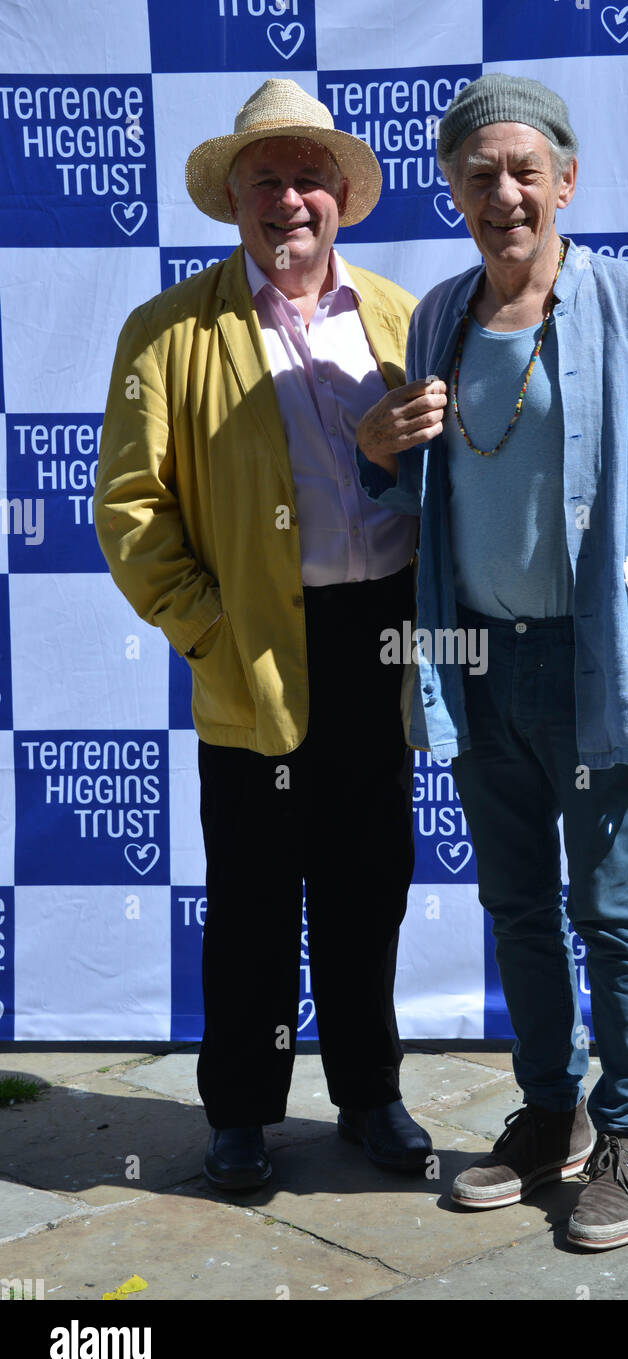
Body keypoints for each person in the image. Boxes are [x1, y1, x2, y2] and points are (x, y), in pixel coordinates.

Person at [356, 73, 628, 1250]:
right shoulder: (434, 318)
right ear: (454, 192)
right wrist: (375, 452)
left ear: (567, 182)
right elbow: (410, 484)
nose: (506, 193)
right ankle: (550, 1113)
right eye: (480, 174)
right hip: (472, 658)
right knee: (517, 903)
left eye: (527, 170)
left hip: (602, 667)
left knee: (612, 907)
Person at [95, 78, 432, 1191]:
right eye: (265, 182)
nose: (289, 201)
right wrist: (211, 629)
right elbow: (131, 510)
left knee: (368, 882)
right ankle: (240, 1111)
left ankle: (371, 1095)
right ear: (234, 201)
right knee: (249, 896)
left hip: (377, 636)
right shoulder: (168, 332)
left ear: (340, 196)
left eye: (307, 180)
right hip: (254, 648)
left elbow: (450, 473)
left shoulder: (400, 316)